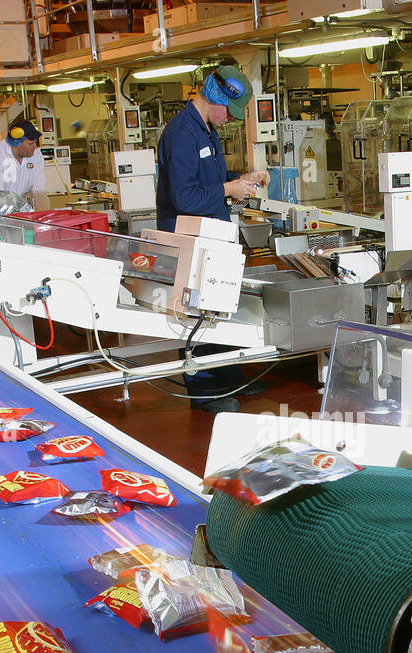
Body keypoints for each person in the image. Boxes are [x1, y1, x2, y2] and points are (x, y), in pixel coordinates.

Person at [156, 66, 269, 412]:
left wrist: (239, 180)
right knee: (193, 316)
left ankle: (225, 372)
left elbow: (212, 178)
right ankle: (202, 389)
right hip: (189, 237)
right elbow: (186, 198)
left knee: (215, 310)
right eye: (229, 113)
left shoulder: (206, 131)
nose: (229, 120)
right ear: (216, 98)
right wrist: (227, 189)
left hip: (212, 235)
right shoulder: (181, 134)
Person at [0, 119, 51, 211]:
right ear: (16, 143)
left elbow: (39, 191)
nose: (35, 147)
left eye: (35, 143)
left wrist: (44, 217)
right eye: (30, 144)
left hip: (14, 205)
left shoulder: (36, 155)